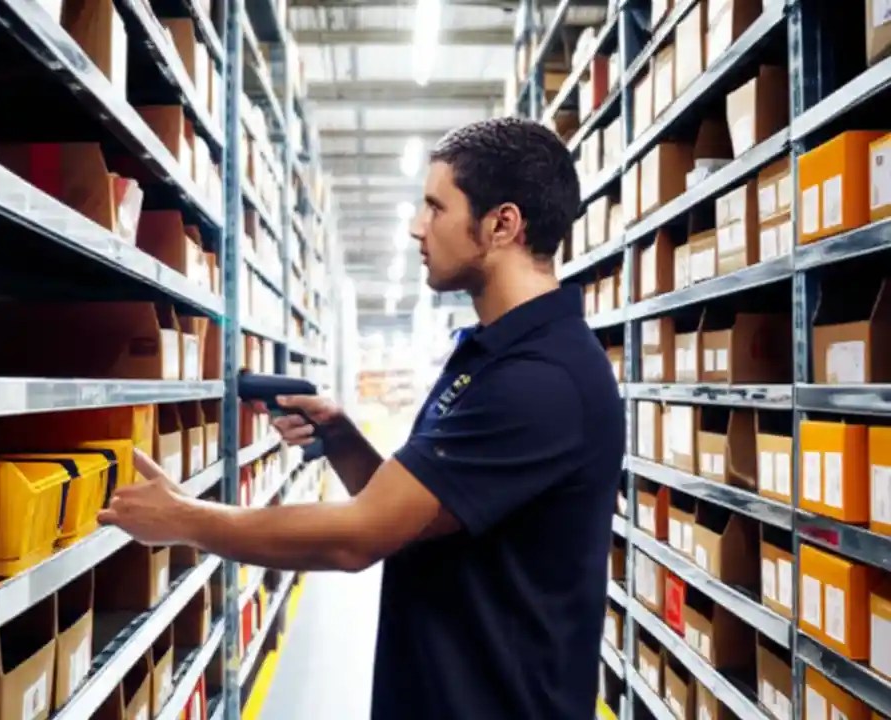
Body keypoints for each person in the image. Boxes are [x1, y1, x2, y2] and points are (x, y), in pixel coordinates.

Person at [99, 117, 626, 719]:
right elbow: (422, 511)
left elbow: (360, 537)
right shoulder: (493, 354)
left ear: (502, 224)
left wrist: (186, 520)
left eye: (435, 207)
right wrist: (344, 440)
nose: (416, 227)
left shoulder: (539, 379)